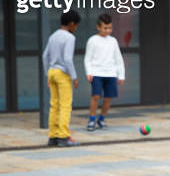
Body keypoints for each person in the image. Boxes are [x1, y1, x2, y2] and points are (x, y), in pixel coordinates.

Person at [43, 9, 81, 147]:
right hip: (62, 74)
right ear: (71, 24)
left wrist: (48, 74)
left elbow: (44, 56)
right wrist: (75, 77)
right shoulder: (70, 38)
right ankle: (63, 136)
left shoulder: (53, 36)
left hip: (52, 72)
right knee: (65, 105)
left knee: (54, 105)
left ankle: (52, 136)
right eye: (76, 25)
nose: (76, 28)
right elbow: (67, 59)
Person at [84, 13, 125, 131]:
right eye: (105, 28)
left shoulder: (113, 41)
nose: (108, 30)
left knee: (108, 98)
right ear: (98, 27)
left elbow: (118, 59)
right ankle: (92, 119)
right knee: (96, 96)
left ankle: (101, 119)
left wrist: (121, 75)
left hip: (111, 74)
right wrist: (89, 72)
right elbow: (88, 58)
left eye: (110, 28)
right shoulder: (92, 40)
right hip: (96, 73)